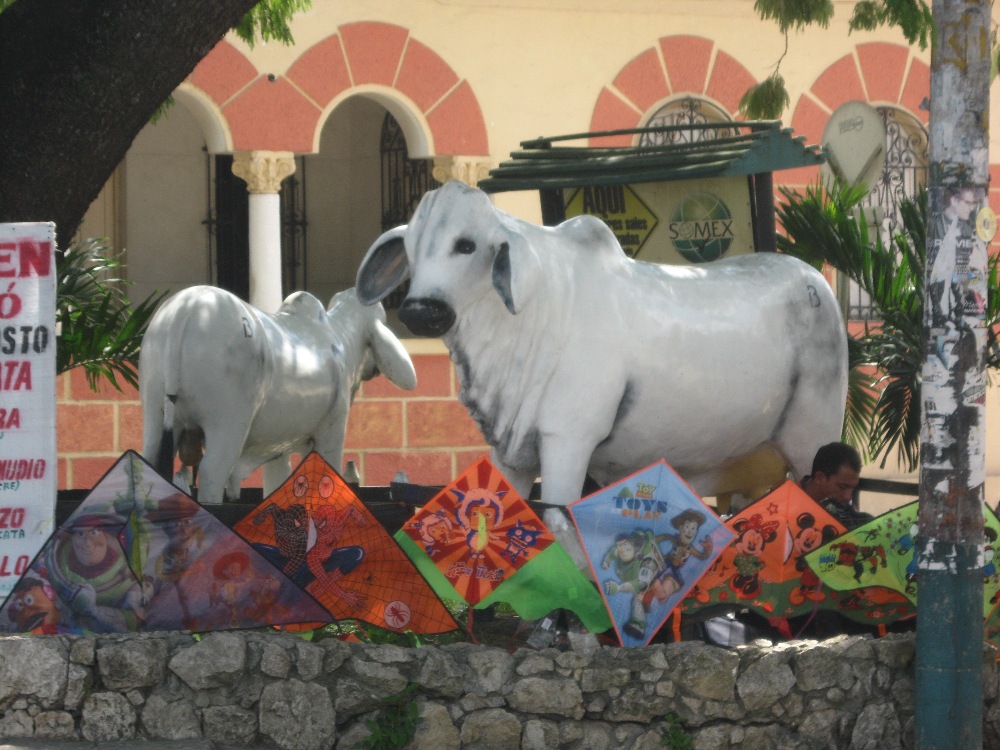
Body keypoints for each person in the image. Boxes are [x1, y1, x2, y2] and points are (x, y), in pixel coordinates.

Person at [800, 442, 872, 530]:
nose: (848, 497)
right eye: (842, 487)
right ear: (819, 477)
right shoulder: (785, 504)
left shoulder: (846, 510)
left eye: (852, 488)